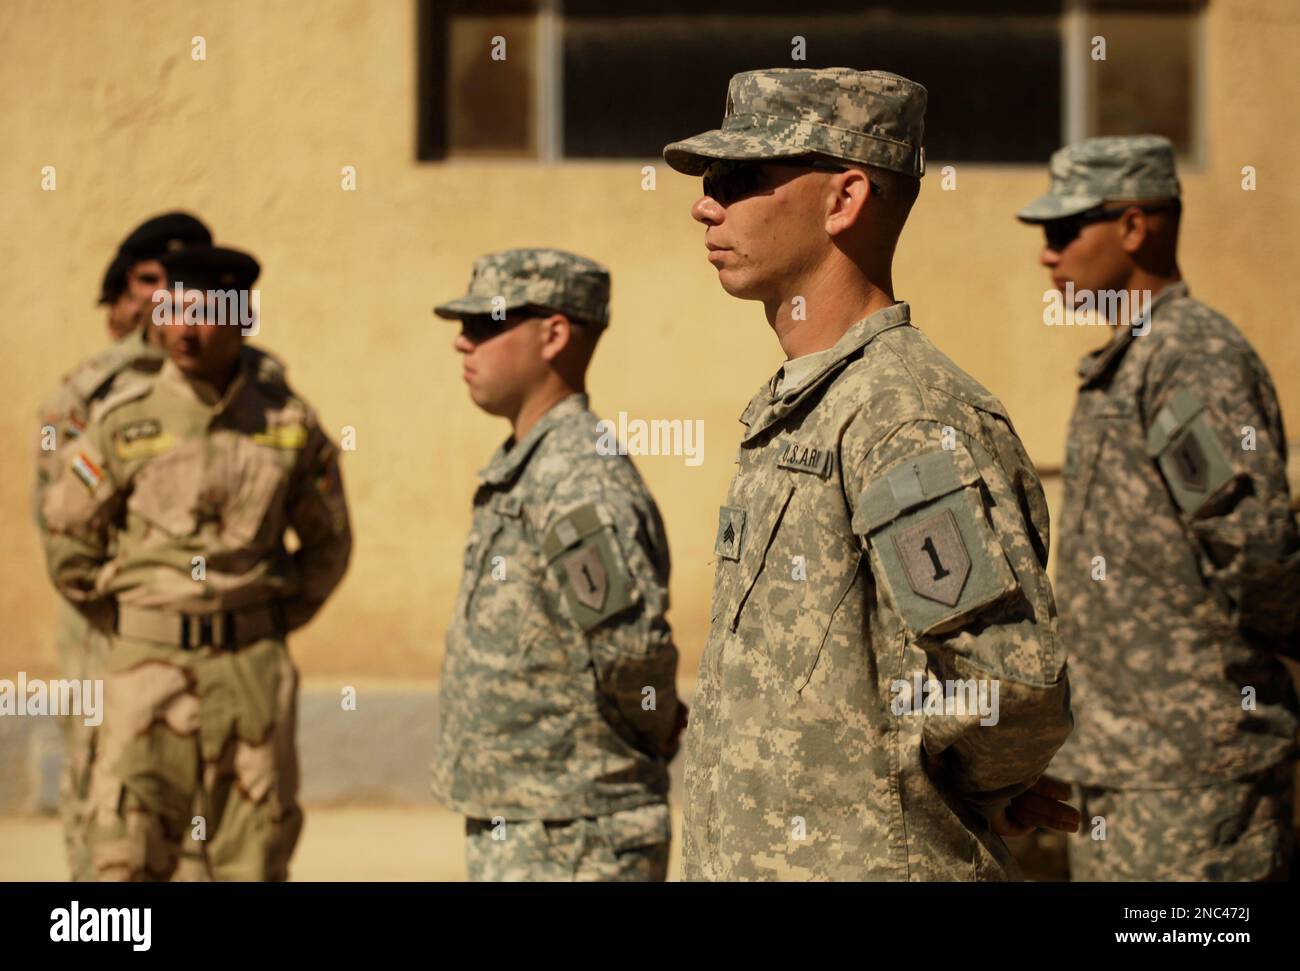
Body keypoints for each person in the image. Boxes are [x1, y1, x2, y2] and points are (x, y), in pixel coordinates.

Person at [661, 67, 1076, 880]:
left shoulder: (905, 415)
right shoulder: (806, 404)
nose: (705, 204)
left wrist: (957, 788)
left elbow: (1009, 685)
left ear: (844, 199)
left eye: (738, 179)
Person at [1017, 135, 1300, 881]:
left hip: (1196, 773)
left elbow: (1258, 552)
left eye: (1063, 230)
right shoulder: (1130, 361)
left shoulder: (1187, 357)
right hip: (1129, 766)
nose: (1048, 255)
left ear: (1135, 227)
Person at [40, 244, 351, 880]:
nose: (185, 327)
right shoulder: (124, 421)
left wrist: (265, 616)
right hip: (144, 676)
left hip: (250, 676)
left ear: (242, 318)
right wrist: (134, 611)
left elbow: (328, 544)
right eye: (174, 309)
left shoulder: (286, 424)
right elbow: (69, 541)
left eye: (206, 312)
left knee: (252, 854)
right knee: (125, 857)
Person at [429, 248, 686, 881]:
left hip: (576, 834)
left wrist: (643, 739)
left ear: (553, 334)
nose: (464, 343)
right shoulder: (533, 463)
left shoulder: (577, 477)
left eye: (487, 323)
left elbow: (631, 651)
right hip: (533, 822)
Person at [34, 211, 211, 880]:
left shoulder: (241, 389)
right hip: (107, 633)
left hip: (205, 646)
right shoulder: (88, 395)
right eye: (148, 280)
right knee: (104, 796)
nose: (163, 295)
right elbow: (62, 527)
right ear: (119, 296)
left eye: (185, 280)